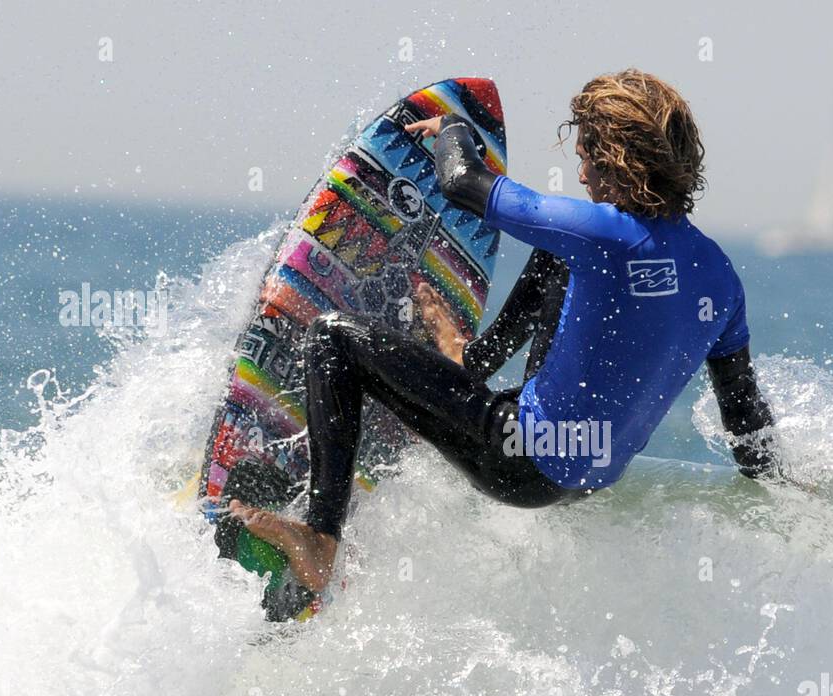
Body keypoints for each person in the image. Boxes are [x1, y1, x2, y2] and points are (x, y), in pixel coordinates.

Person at [231, 69, 786, 593]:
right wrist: (794, 493)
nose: (583, 173)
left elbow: (462, 182)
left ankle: (320, 538)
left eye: (587, 155)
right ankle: (471, 362)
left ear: (615, 155)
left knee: (332, 339)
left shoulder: (604, 233)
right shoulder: (719, 276)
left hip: (519, 457)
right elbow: (746, 426)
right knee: (558, 256)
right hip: (588, 477)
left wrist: (453, 130)